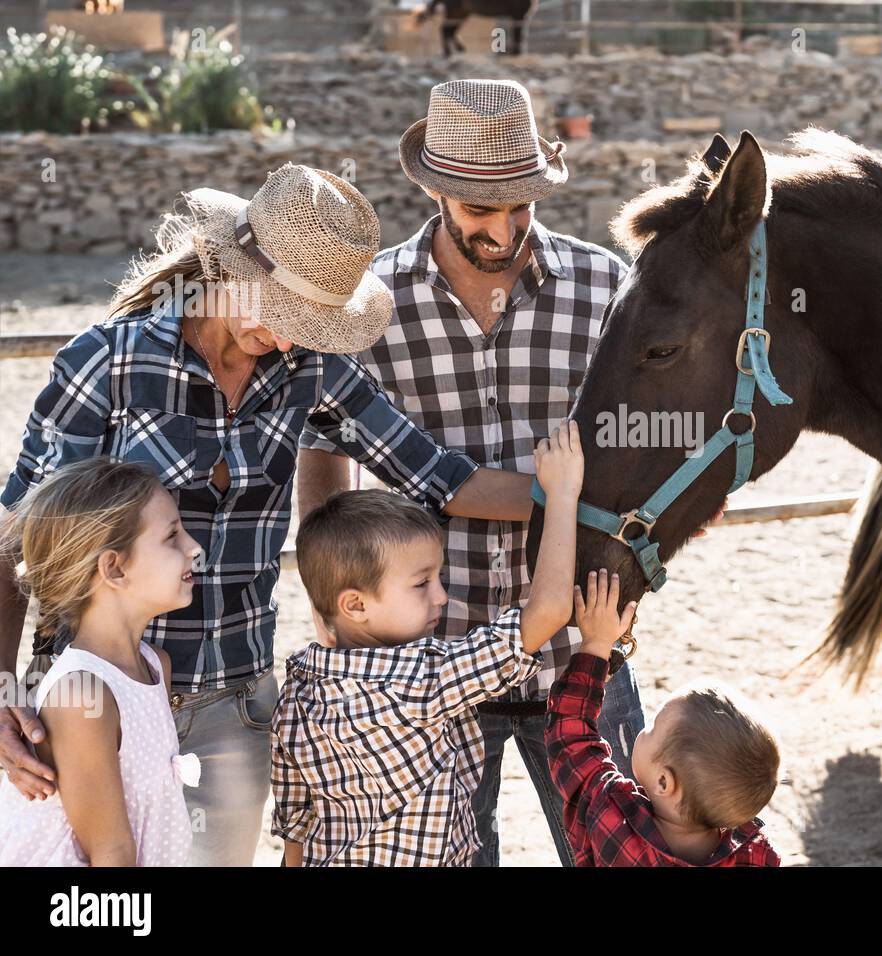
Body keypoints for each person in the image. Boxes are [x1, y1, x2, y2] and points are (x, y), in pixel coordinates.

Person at [0, 163, 534, 865]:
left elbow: (445, 479)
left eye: (305, 325)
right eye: (280, 315)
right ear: (228, 268)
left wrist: (591, 504)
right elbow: (15, 542)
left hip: (237, 706)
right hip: (92, 707)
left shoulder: (308, 368)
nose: (286, 341)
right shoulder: (108, 365)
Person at [295, 78, 646, 866]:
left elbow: (646, 430)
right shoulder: (369, 302)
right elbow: (324, 445)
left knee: (622, 857)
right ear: (434, 188)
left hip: (584, 649)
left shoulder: (605, 287)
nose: (505, 226)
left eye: (521, 203)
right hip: (429, 659)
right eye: (480, 209)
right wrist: (329, 597)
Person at [273, 422, 583, 866]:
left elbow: (295, 826)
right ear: (356, 605)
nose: (441, 595)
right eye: (422, 584)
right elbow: (549, 610)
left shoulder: (298, 688)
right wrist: (562, 495)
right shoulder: (425, 678)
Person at [0, 458, 204, 865]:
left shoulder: (153, 665)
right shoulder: (82, 696)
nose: (194, 548)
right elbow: (110, 853)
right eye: (172, 536)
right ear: (113, 567)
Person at [546, 569, 783, 867]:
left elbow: (571, 738)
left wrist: (595, 645)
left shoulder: (615, 824)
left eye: (653, 727)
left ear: (663, 781)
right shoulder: (758, 855)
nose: (644, 729)